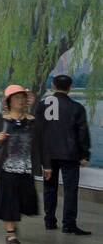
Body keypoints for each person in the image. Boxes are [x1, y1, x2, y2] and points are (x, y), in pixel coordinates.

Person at [0, 84, 40, 244]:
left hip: (25, 168)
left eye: (23, 98)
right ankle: (10, 233)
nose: (20, 101)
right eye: (16, 98)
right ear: (9, 102)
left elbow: (41, 144)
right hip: (6, 168)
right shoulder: (1, 119)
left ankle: (13, 222)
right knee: (9, 200)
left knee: (26, 200)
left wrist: (47, 166)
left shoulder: (32, 121)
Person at [36, 74, 92, 235]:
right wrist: (84, 154)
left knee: (49, 188)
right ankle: (69, 224)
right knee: (70, 190)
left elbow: (38, 130)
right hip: (70, 154)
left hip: (48, 154)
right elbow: (82, 133)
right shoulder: (77, 108)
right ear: (70, 87)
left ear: (53, 86)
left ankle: (49, 221)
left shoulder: (42, 105)